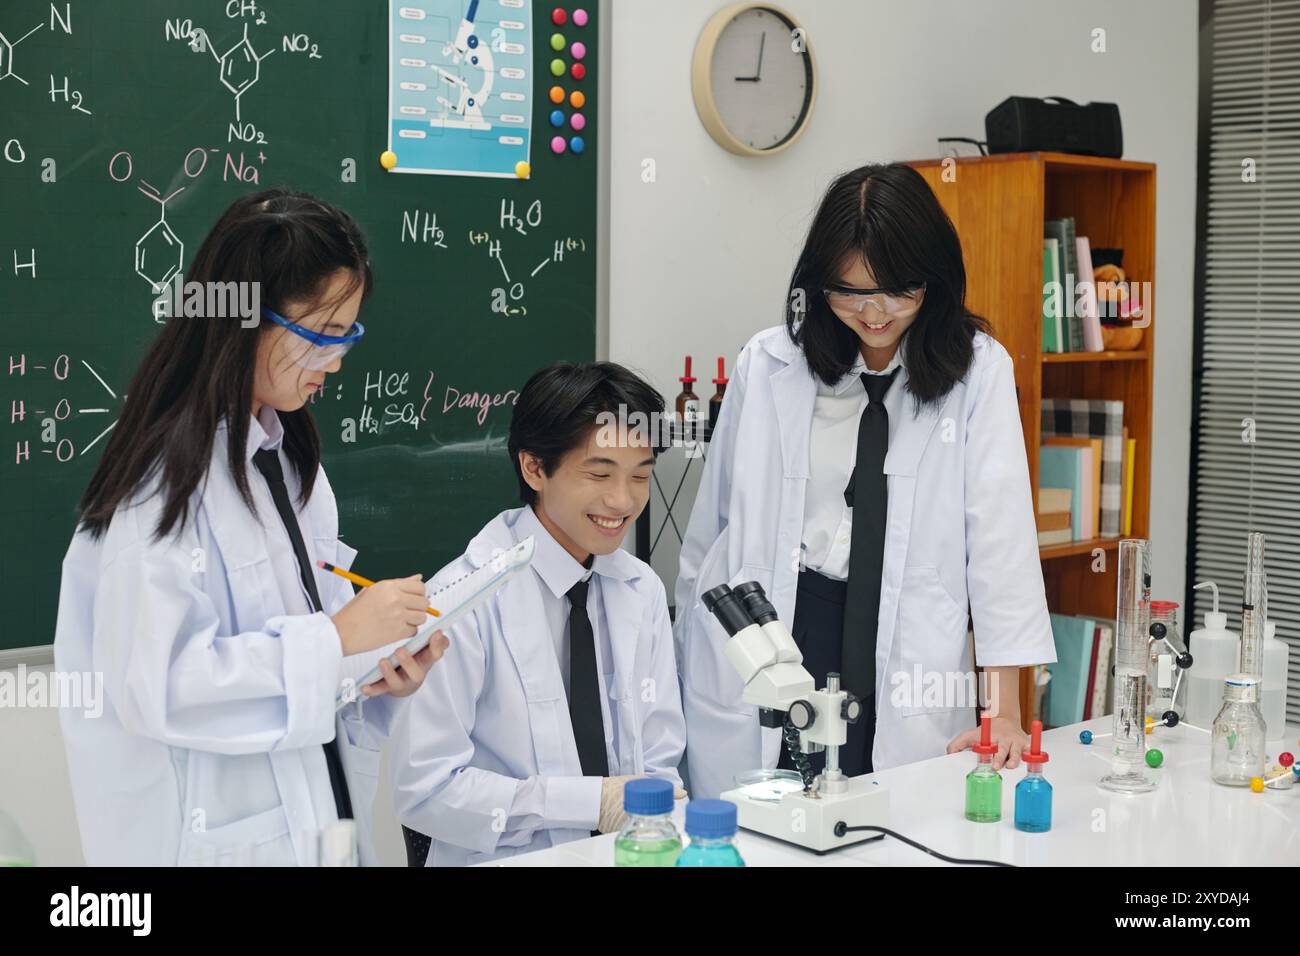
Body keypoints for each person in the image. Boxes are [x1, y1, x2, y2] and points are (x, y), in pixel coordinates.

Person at [55, 189, 447, 865]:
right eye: (322, 334)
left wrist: (377, 672)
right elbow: (157, 687)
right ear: (245, 320)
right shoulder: (161, 483)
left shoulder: (290, 463)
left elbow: (308, 670)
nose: (337, 360)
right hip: (213, 839)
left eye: (347, 334)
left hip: (320, 820)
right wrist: (334, 639)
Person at [674, 163, 1057, 800]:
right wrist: (691, 654)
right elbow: (711, 530)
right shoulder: (769, 363)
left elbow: (1001, 550)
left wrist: (1006, 712)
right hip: (790, 624)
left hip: (911, 644)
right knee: (779, 822)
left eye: (897, 292)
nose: (874, 313)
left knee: (891, 821)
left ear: (934, 280)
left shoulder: (979, 373)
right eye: (850, 292)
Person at [393, 361, 686, 866]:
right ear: (534, 468)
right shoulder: (462, 599)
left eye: (640, 475)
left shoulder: (642, 590)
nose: (622, 501)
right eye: (599, 473)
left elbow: (660, 759)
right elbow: (426, 790)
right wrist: (586, 802)